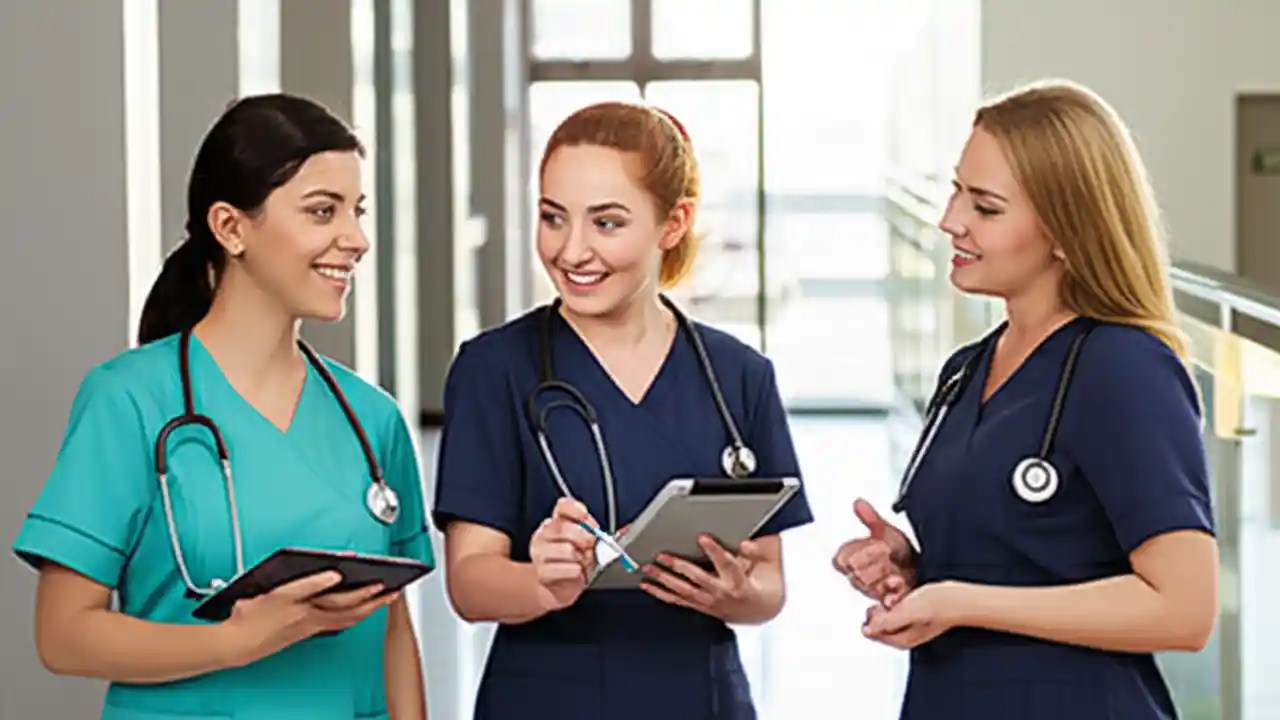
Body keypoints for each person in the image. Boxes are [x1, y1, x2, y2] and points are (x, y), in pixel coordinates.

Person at [12, 94, 433, 720]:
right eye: (323, 212)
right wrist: (236, 641)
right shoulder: (129, 401)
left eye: (357, 211)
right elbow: (64, 634)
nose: (357, 239)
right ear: (231, 227)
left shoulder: (371, 420)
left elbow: (393, 628)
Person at [832, 79, 1219, 719]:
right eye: (957, 190)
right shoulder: (967, 370)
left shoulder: (1123, 368)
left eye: (985, 207)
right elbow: (1028, 557)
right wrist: (914, 566)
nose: (950, 219)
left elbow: (1183, 610)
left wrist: (961, 601)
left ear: (1067, 231)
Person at [432, 101, 813, 720]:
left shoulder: (738, 377)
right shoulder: (494, 369)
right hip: (545, 697)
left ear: (673, 222)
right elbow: (470, 583)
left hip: (702, 698)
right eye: (553, 218)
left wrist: (736, 593)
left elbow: (770, 587)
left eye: (606, 224)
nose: (571, 251)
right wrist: (540, 581)